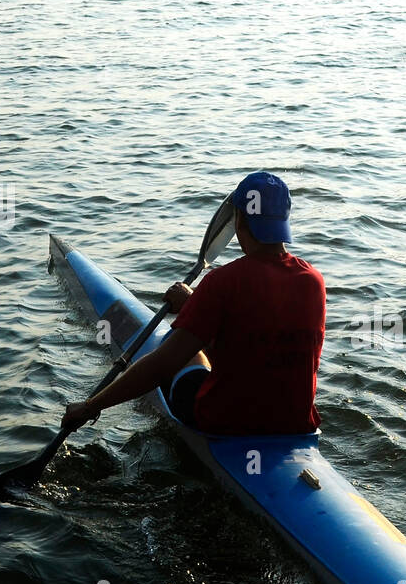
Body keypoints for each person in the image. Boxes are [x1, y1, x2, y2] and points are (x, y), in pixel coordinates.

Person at [62, 172, 325, 437]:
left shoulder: (222, 282)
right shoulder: (314, 281)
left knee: (176, 346)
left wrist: (89, 407)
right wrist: (194, 305)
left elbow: (160, 366)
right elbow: (261, 332)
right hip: (295, 423)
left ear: (239, 220)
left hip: (225, 422)